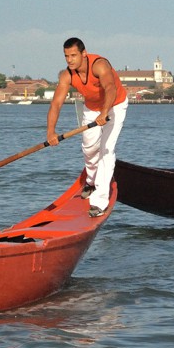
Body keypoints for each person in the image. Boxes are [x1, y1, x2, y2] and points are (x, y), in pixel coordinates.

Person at [46, 37, 128, 217]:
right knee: (89, 148)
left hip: (114, 105)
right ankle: (90, 182)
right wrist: (50, 132)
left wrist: (105, 112)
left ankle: (99, 202)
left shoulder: (99, 65)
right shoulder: (67, 75)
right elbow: (56, 104)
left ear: (84, 53)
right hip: (92, 107)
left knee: (106, 149)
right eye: (66, 56)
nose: (70, 60)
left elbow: (110, 88)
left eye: (73, 55)